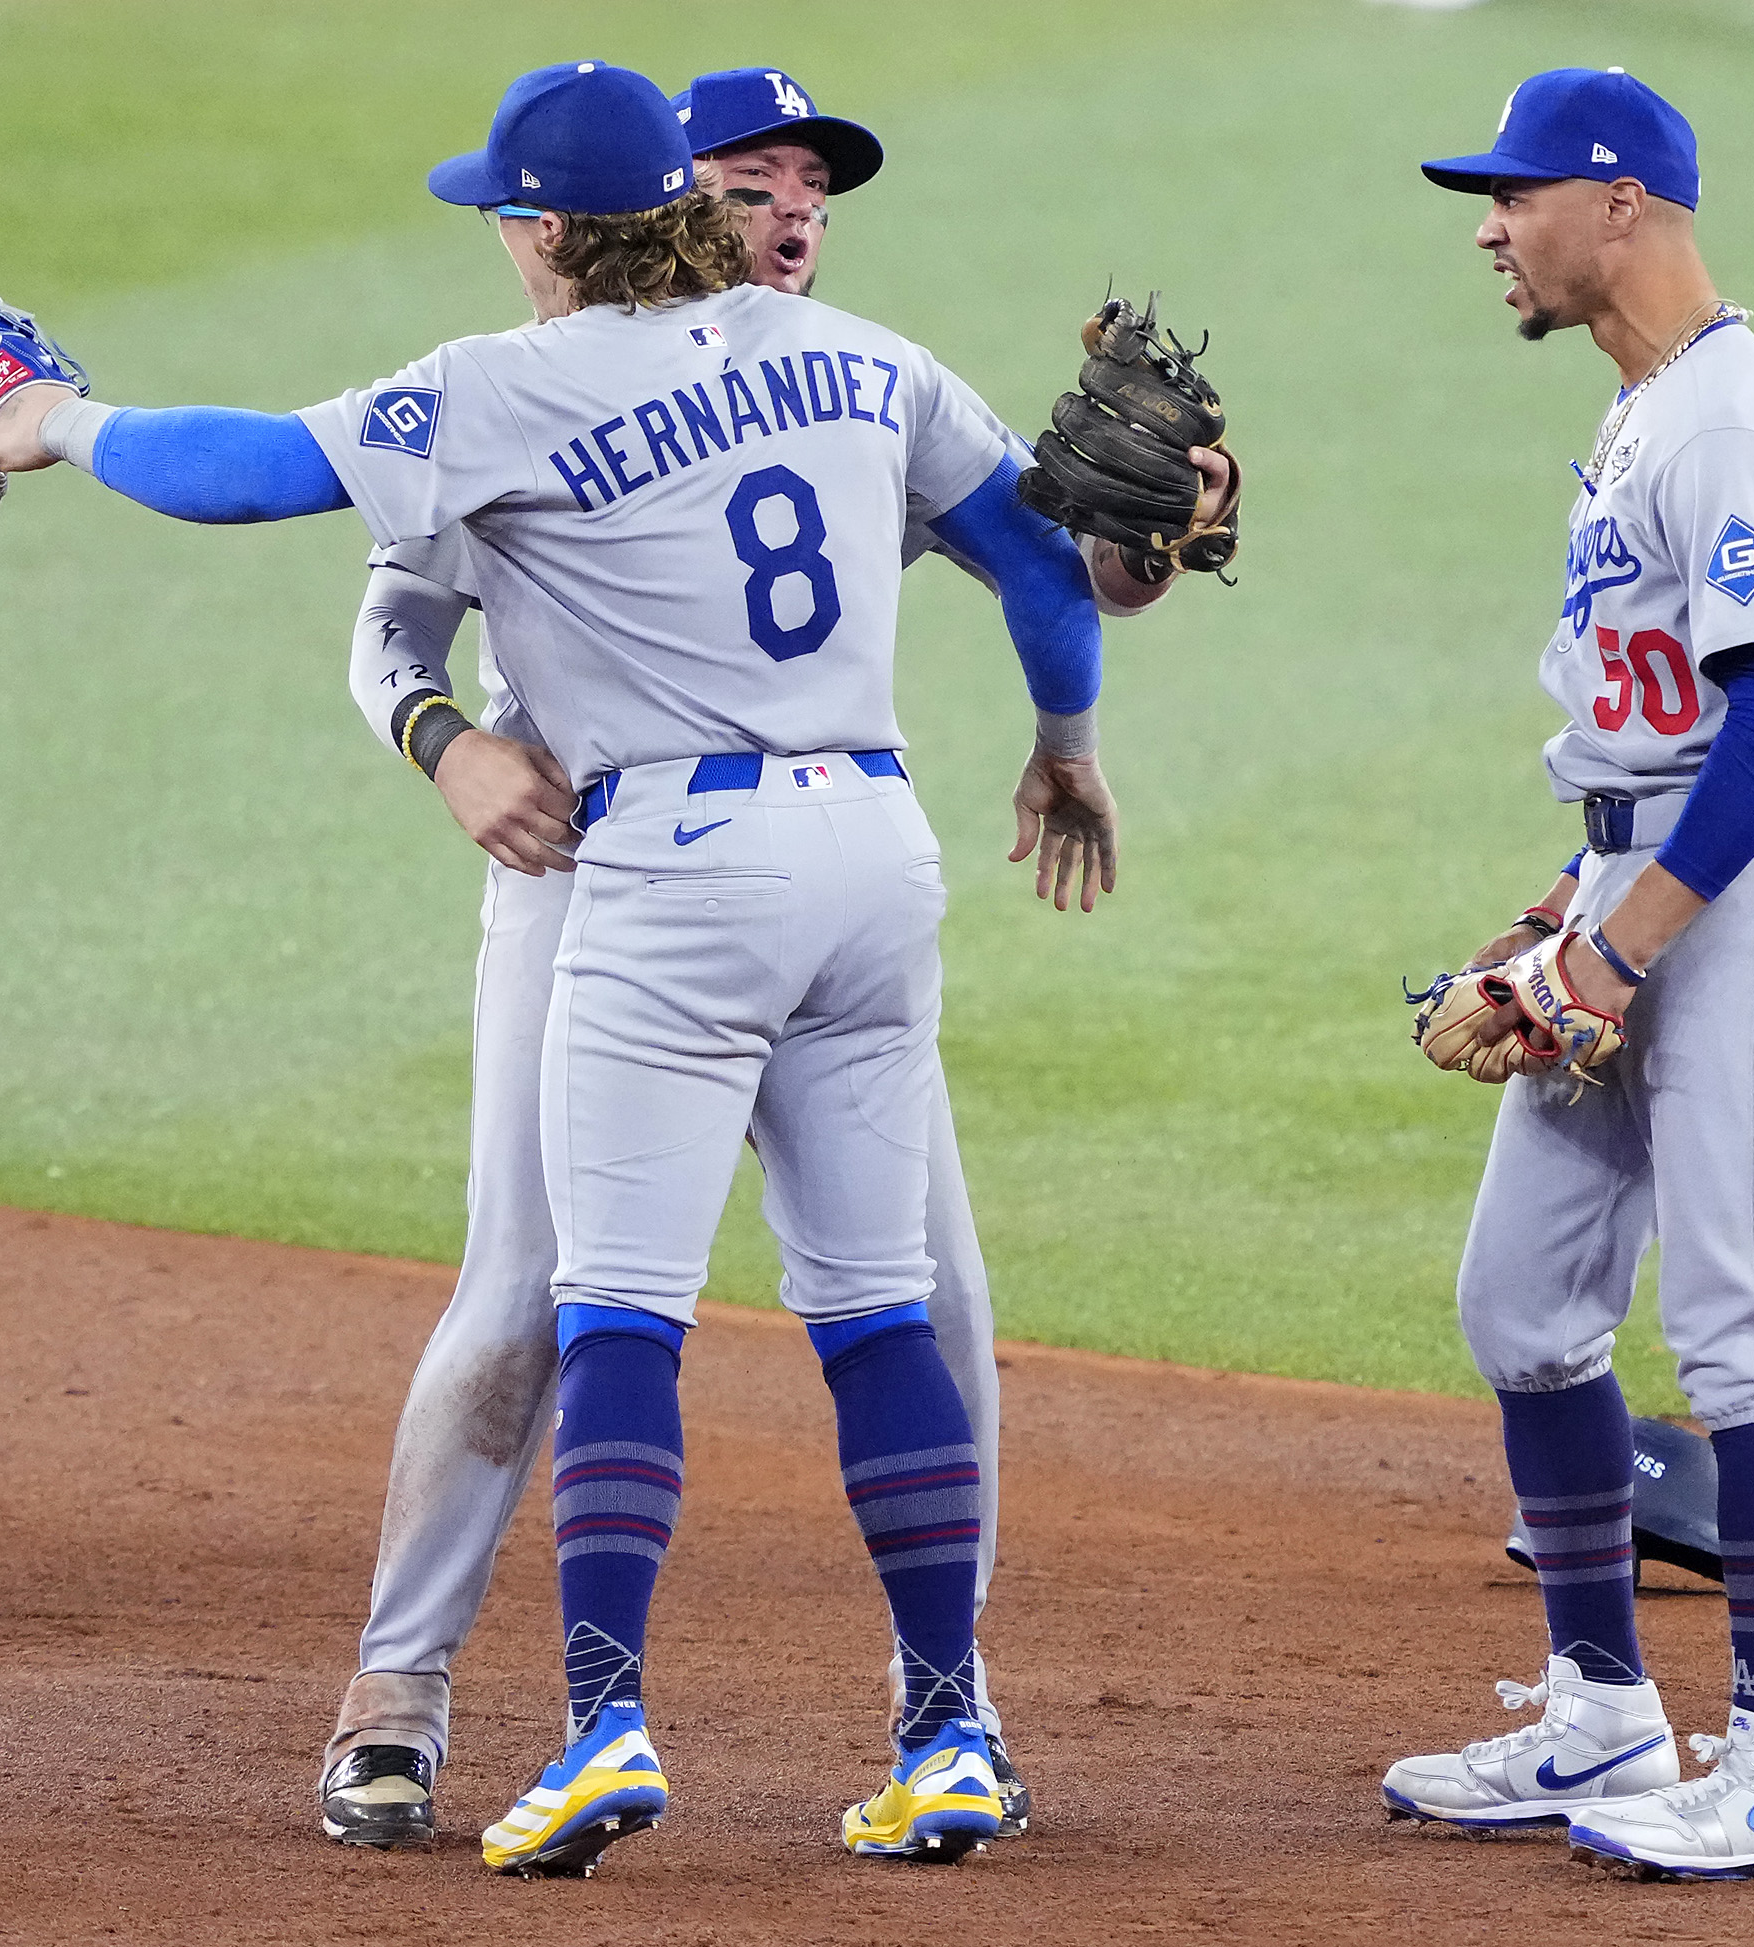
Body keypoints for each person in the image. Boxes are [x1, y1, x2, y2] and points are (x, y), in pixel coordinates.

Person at [315, 63, 1235, 1853]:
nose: (797, 210)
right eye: (757, 178)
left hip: (775, 877)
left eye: (818, 183)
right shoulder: (519, 393)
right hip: (584, 869)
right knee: (527, 1289)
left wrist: (1159, 534)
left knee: (927, 1290)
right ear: (669, 194)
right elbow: (390, 623)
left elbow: (1063, 568)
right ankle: (400, 1689)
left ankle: (942, 1698)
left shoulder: (837, 382)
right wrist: (447, 742)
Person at [1376, 67, 1754, 1882]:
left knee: (1745, 1328)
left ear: (1623, 202)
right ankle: (1601, 1712)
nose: (1489, 228)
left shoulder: (1728, 419)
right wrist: (1563, 911)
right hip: (1645, 875)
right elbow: (1649, 726)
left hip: (1742, 902)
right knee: (1524, 1303)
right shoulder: (1644, 412)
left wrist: (1607, 957)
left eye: (1514, 194)